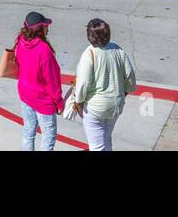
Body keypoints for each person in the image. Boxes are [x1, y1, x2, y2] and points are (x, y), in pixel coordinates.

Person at [69, 19, 137, 151]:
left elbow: (83, 84)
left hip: (95, 108)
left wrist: (78, 101)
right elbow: (130, 78)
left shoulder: (89, 54)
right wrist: (124, 93)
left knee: (97, 146)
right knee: (106, 139)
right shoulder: (118, 50)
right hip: (115, 106)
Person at [13, 11, 63, 150]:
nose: (48, 28)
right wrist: (59, 102)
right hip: (42, 100)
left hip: (25, 94)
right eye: (46, 26)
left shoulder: (20, 41)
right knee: (48, 138)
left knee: (28, 132)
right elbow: (52, 80)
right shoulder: (44, 50)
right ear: (40, 29)